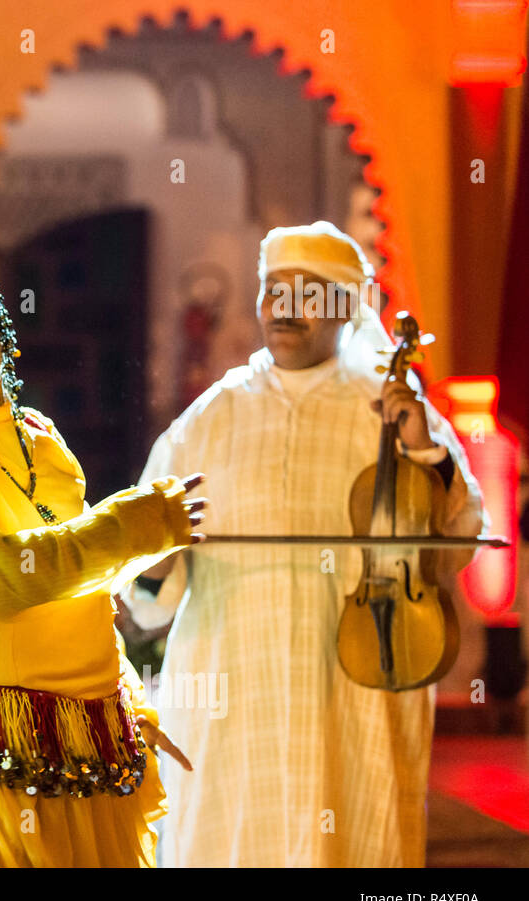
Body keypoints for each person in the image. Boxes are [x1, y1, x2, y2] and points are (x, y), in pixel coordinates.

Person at [131, 221, 487, 867]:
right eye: (274, 291)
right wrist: (153, 564)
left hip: (356, 697)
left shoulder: (393, 409)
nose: (285, 309)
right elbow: (149, 592)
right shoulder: (207, 420)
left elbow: (458, 541)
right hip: (230, 704)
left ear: (348, 306)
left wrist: (424, 453)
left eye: (309, 293)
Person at [0, 246, 202, 866]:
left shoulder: (41, 437)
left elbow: (80, 590)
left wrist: (129, 703)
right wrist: (131, 526)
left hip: (92, 743)